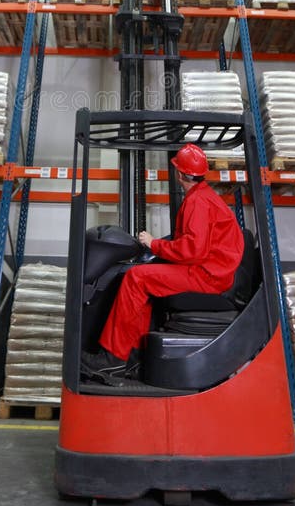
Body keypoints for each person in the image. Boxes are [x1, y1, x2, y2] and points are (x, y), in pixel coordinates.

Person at [81, 143, 245, 380]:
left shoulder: (197, 202)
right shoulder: (206, 197)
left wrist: (154, 243)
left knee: (135, 277)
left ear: (179, 174)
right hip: (210, 271)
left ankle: (112, 359)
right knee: (145, 285)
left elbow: (193, 250)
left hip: (205, 275)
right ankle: (134, 357)